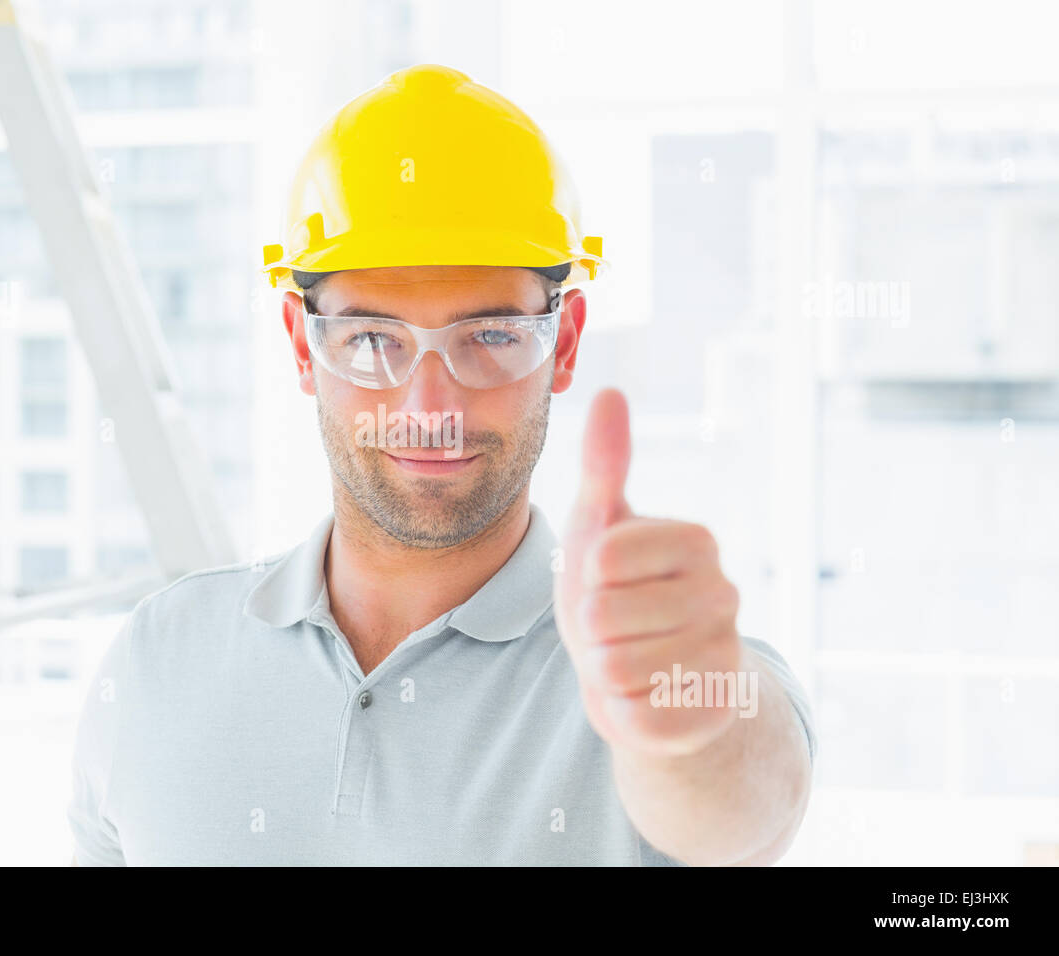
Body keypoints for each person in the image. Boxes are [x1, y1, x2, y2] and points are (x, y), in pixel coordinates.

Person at [68, 63, 817, 866]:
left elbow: (745, 806)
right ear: (301, 344)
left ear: (561, 344)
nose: (429, 407)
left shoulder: (645, 657)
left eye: (489, 336)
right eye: (372, 341)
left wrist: (687, 722)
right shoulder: (159, 656)